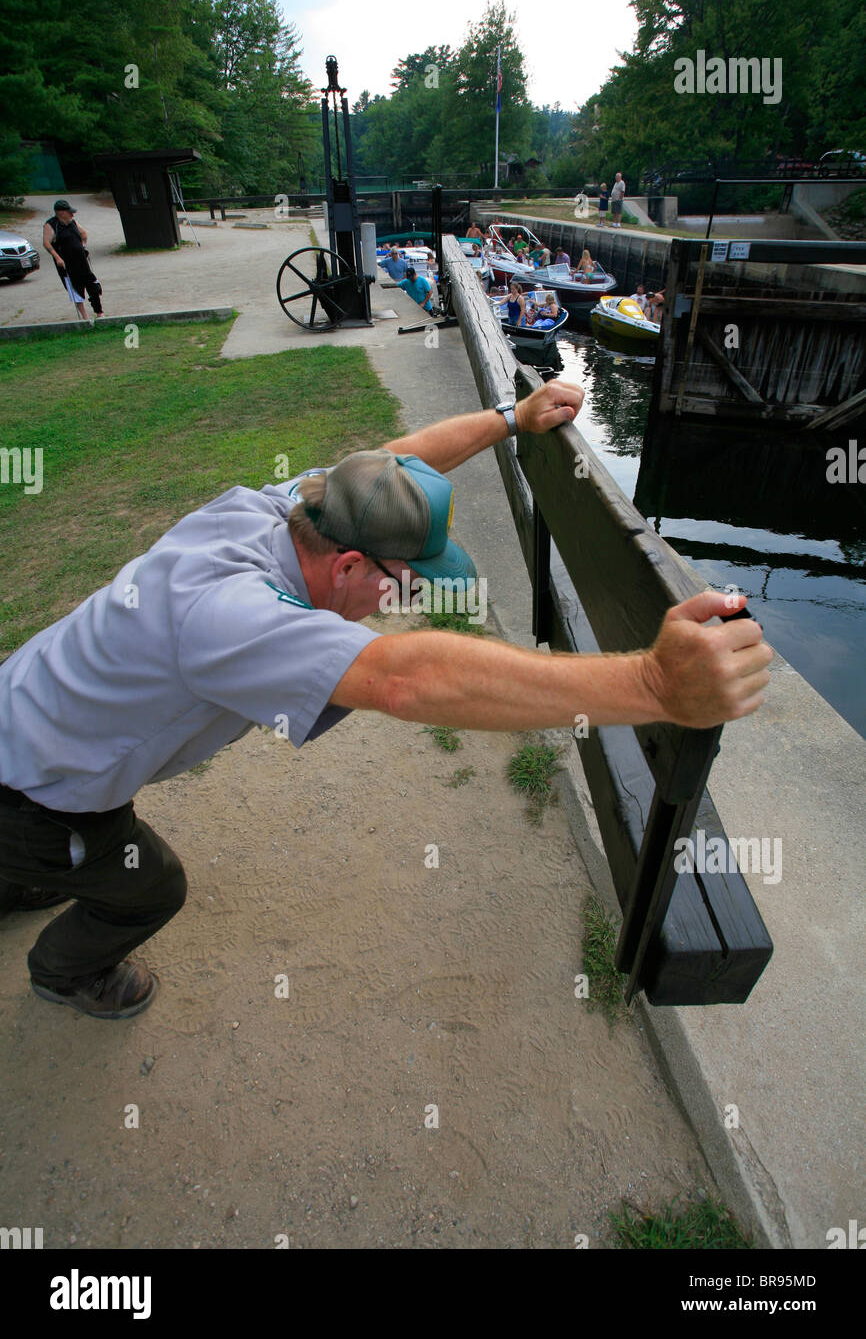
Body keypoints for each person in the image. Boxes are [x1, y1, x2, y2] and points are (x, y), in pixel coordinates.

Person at [0, 379, 772, 1019]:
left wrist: (511, 419)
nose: (397, 600)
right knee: (149, 889)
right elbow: (407, 680)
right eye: (398, 583)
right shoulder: (232, 618)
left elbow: (390, 467)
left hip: (21, 708)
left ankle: (27, 873)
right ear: (345, 567)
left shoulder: (271, 509)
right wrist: (653, 685)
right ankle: (64, 972)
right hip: (40, 785)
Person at [43, 200, 104, 320]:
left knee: (93, 286)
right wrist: (58, 258)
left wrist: (83, 246)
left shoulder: (73, 222)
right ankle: (85, 318)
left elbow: (84, 233)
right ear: (61, 213)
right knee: (76, 289)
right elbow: (46, 243)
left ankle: (99, 312)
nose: (72, 214)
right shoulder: (51, 225)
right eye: (69, 212)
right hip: (67, 264)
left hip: (81, 261)